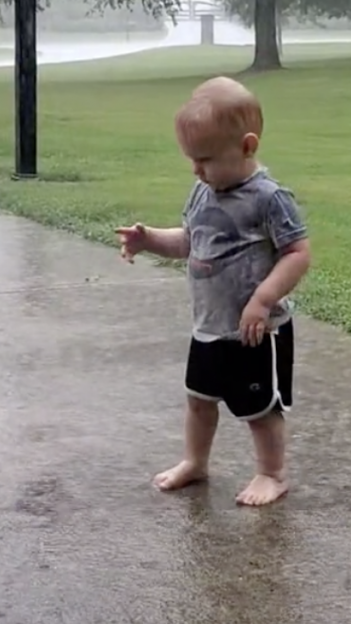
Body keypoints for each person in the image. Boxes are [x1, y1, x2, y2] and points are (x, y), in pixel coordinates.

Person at [116, 76, 310, 506]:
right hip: (208, 325)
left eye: (205, 159)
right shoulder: (204, 190)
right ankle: (195, 462)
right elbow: (189, 242)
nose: (196, 169)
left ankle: (271, 473)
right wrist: (149, 240)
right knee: (199, 400)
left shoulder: (269, 199)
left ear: (246, 146)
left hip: (255, 330)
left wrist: (262, 300)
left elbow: (298, 253)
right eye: (192, 160)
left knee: (260, 411)